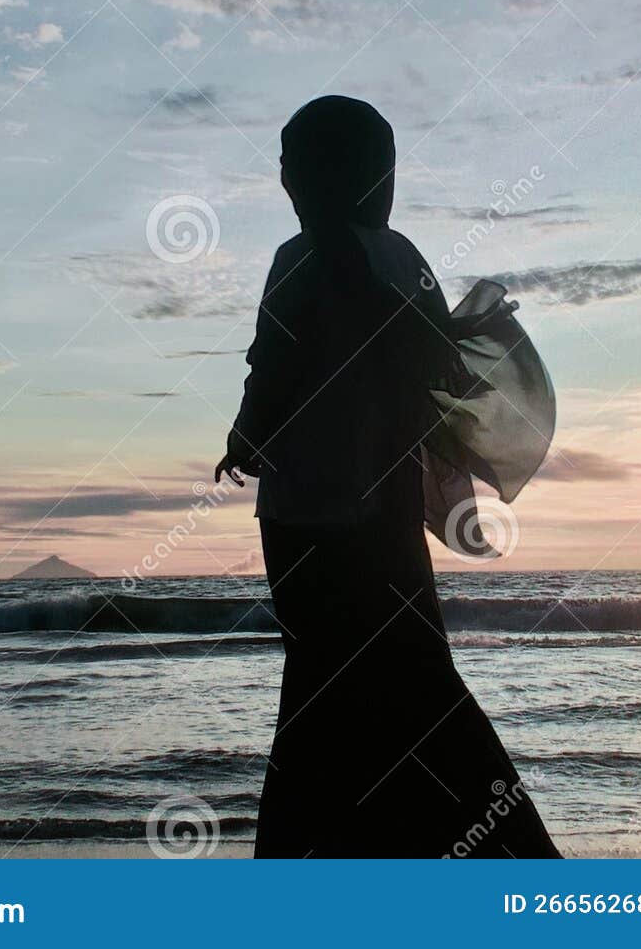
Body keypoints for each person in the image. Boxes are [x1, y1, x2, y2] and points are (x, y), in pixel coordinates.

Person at [215, 95, 561, 858]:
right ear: (381, 179)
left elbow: (271, 370)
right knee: (414, 682)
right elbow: (427, 374)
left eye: (291, 166)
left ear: (304, 178)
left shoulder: (297, 260)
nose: (284, 179)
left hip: (307, 513)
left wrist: (244, 437)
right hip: (385, 508)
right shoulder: (400, 258)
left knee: (321, 688)